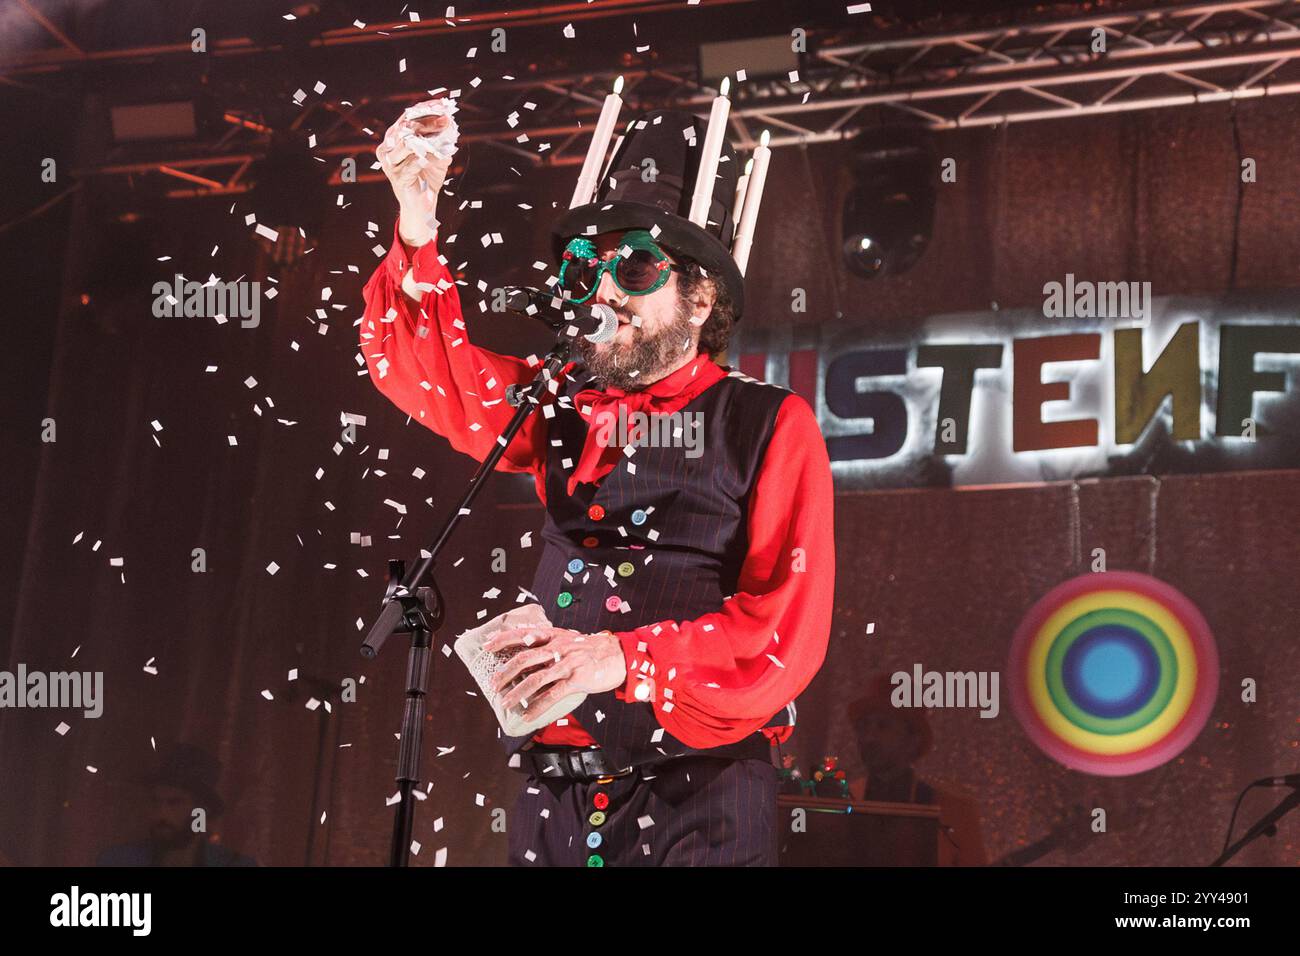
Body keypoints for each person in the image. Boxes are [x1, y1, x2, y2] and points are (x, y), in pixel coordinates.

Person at [361, 98, 835, 866]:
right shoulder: (558, 404)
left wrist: (626, 659)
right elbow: (423, 372)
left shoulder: (768, 424)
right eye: (585, 269)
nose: (603, 292)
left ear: (701, 295)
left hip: (699, 796)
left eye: (635, 266)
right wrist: (417, 220)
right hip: (554, 795)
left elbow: (785, 633)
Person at [847, 675, 988, 866]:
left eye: (883, 725)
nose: (869, 737)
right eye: (863, 726)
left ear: (913, 740)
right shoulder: (840, 803)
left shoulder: (955, 811)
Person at [95, 743, 256, 867]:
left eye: (175, 803)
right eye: (155, 801)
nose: (161, 813)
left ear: (201, 811)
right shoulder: (117, 861)